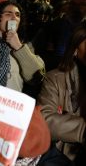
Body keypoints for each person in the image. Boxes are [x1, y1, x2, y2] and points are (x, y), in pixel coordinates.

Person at [38, 22, 86, 165]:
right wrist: (83, 129)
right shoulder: (56, 78)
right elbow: (44, 119)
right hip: (62, 155)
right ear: (76, 50)